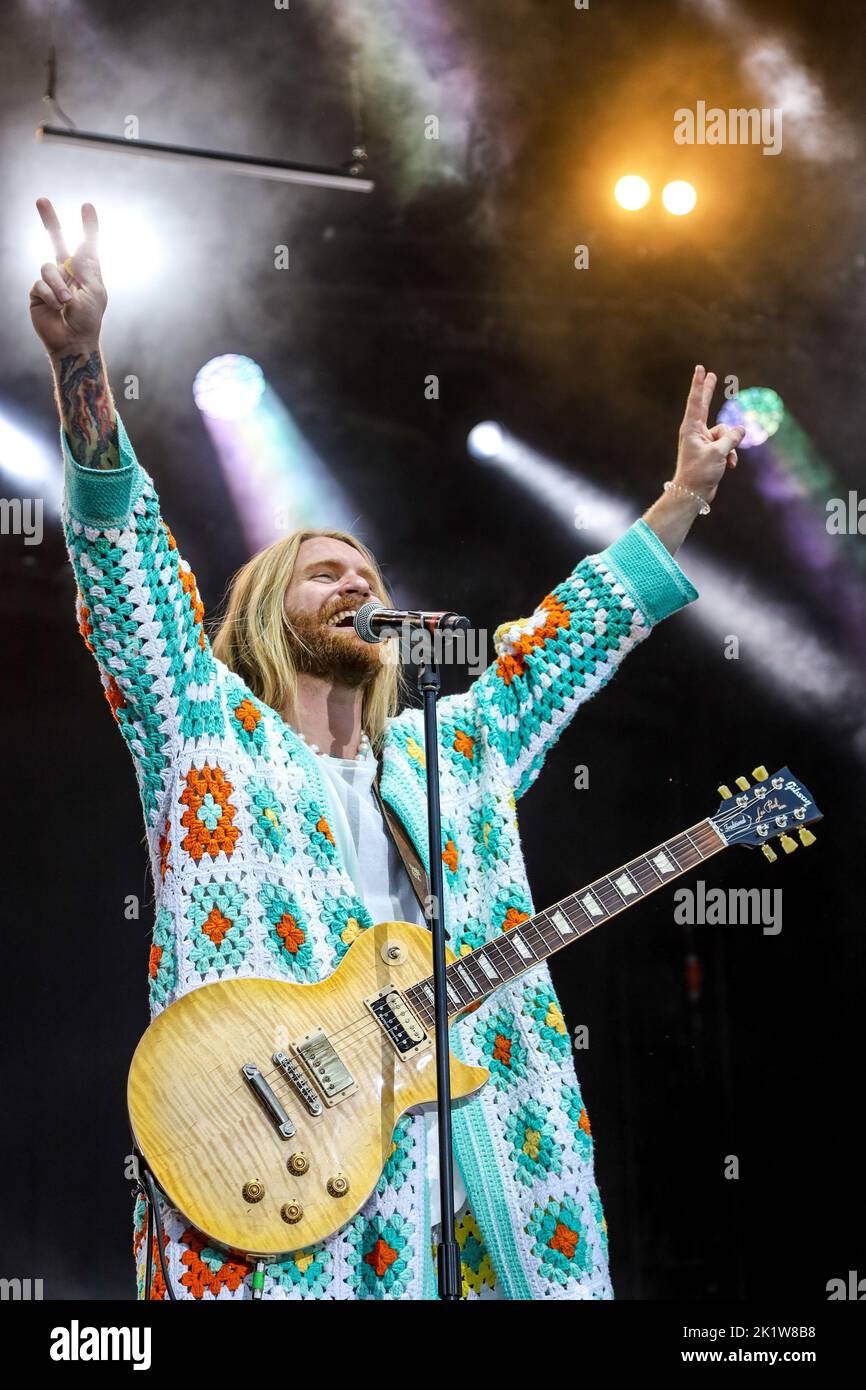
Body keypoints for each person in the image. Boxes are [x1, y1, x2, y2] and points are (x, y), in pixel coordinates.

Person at [29, 198, 744, 1301]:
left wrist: (681, 499)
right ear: (265, 613)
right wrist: (83, 366)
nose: (357, 584)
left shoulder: (453, 746)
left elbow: (575, 629)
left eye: (367, 573)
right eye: (325, 572)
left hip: (464, 1175)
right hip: (272, 1165)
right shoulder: (204, 724)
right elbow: (125, 573)